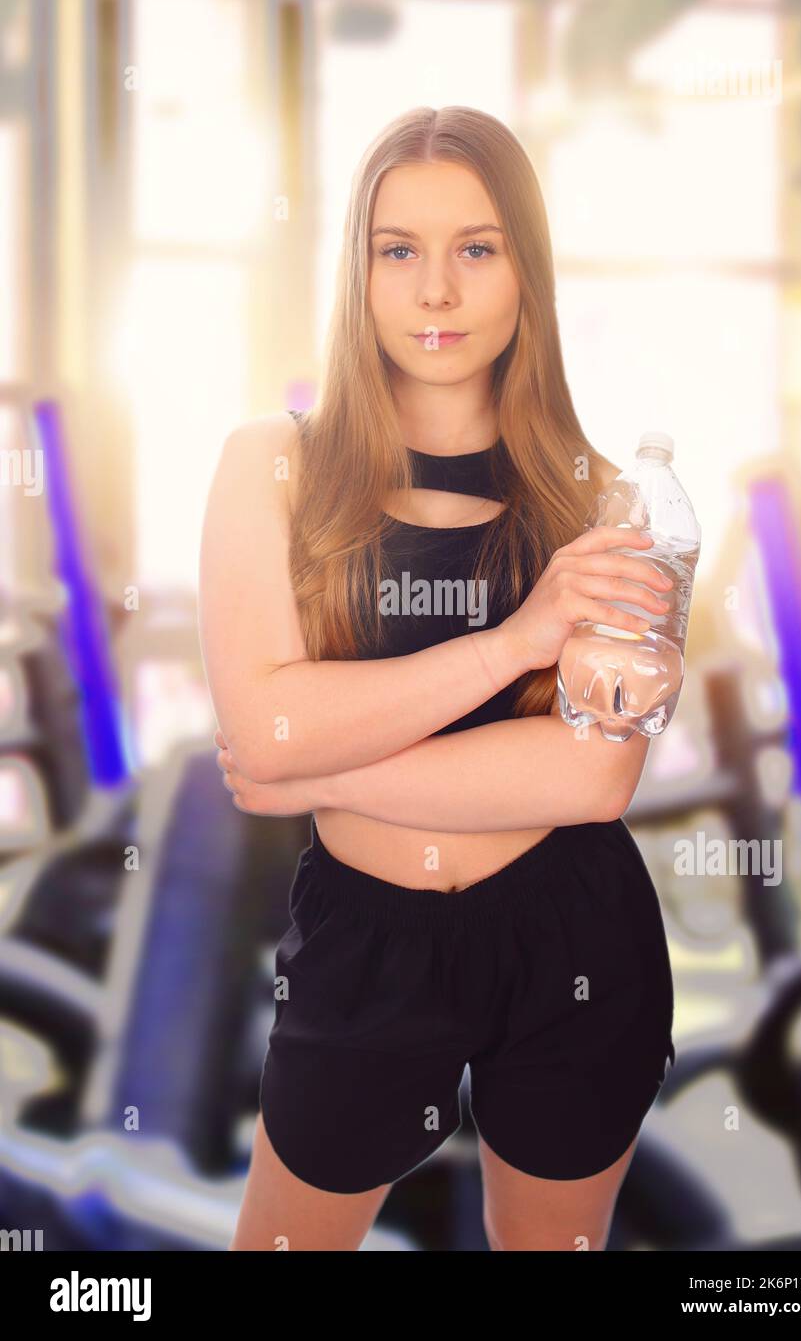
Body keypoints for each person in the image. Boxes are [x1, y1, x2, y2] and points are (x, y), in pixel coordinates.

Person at [198, 106, 677, 1251]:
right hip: (364, 945)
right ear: (356, 274)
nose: (435, 293)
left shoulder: (603, 496)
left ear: (525, 269)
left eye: (476, 247)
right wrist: (516, 644)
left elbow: (593, 777)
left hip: (575, 939)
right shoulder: (271, 464)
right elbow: (263, 725)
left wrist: (311, 770)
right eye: (396, 250)